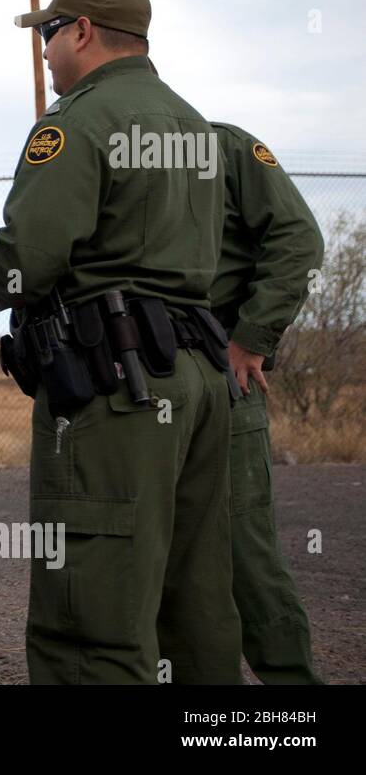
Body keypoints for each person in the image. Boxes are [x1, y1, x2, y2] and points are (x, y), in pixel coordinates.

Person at [0, 0, 242, 683]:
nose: (46, 51)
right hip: (200, 381)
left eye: (50, 34)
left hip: (118, 384)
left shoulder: (76, 122)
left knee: (89, 615)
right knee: (194, 593)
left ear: (82, 31)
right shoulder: (195, 126)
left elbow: (25, 262)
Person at [210, 121, 325, 683]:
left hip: (220, 379)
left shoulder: (222, 146)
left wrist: (251, 338)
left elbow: (299, 240)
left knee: (244, 554)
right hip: (137, 387)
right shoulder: (102, 149)